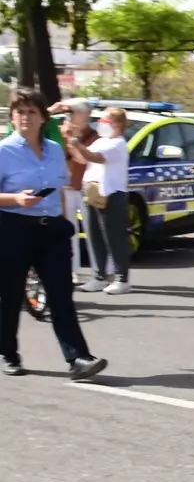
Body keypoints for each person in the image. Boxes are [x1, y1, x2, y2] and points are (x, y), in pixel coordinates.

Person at [0, 87, 106, 379]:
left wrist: (60, 221)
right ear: (12, 117)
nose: (25, 117)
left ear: (43, 118)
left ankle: (78, 359)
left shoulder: (54, 150)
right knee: (8, 296)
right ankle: (8, 353)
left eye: (32, 111)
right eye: (20, 111)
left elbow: (59, 189)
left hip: (51, 231)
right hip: (13, 229)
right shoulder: (4, 151)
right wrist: (15, 200)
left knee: (61, 297)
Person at [68, 106, 132, 295]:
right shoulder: (100, 141)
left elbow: (94, 158)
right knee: (94, 236)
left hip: (111, 194)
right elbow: (82, 158)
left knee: (114, 238)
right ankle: (99, 276)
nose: (101, 124)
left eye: (106, 121)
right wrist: (72, 141)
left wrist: (75, 141)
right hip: (92, 192)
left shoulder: (118, 144)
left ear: (118, 124)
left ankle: (122, 279)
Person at [50, 98, 98, 282]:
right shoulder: (59, 131)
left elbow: (83, 159)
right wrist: (53, 109)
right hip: (65, 188)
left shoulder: (93, 136)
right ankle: (73, 270)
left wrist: (71, 140)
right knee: (69, 233)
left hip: (86, 189)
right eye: (68, 113)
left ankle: (98, 270)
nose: (69, 117)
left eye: (73, 113)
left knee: (92, 232)